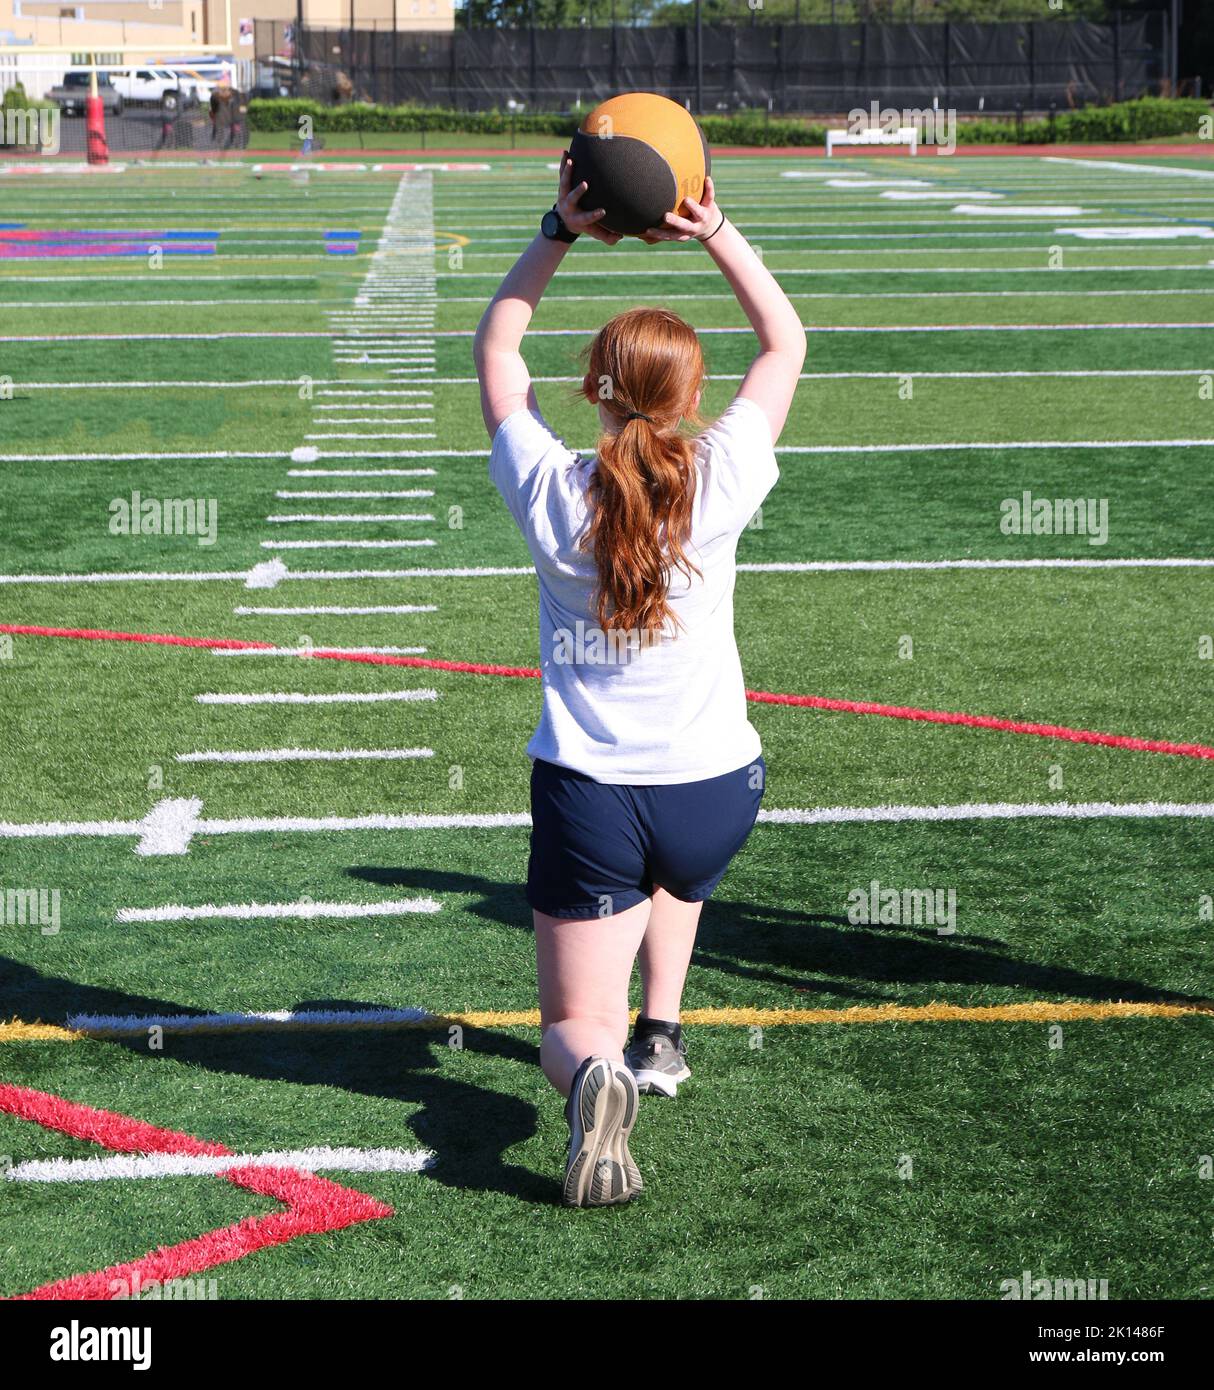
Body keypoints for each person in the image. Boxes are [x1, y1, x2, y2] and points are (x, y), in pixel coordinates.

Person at [473, 157, 805, 1207]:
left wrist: (558, 228)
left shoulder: (549, 489)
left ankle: (600, 1073)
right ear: (688, 398)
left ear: (589, 389)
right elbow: (784, 342)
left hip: (590, 792)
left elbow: (494, 346)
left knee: (569, 1028)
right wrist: (713, 229)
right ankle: (658, 1036)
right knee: (673, 870)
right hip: (716, 790)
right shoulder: (721, 473)